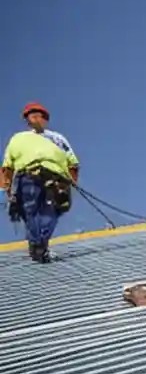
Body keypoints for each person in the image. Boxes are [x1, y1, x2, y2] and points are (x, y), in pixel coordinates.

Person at [2, 102, 80, 262]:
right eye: (33, 116)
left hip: (56, 179)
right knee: (31, 212)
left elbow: (72, 162)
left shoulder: (58, 139)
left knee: (50, 212)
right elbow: (7, 167)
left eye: (40, 116)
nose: (37, 119)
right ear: (27, 119)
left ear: (45, 119)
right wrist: (6, 188)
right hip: (29, 177)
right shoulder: (19, 138)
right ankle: (39, 246)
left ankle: (38, 245)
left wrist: (70, 181)